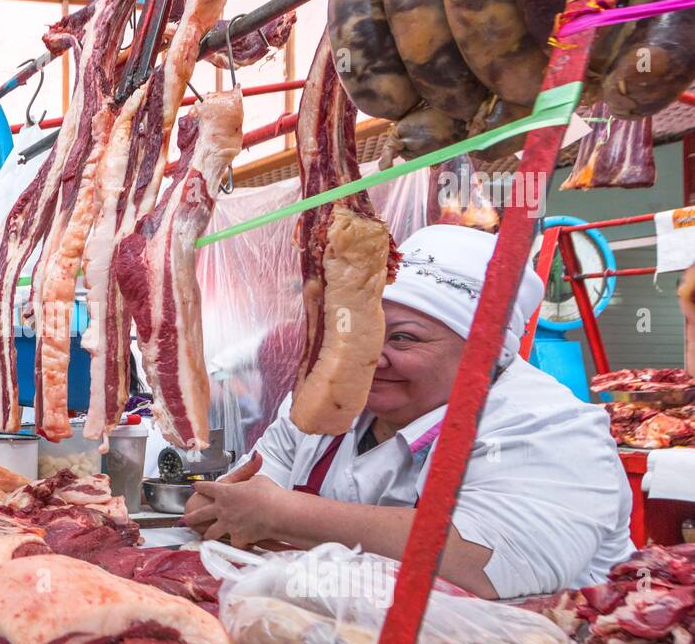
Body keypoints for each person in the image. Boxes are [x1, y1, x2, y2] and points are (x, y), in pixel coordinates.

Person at [184, 224, 634, 600]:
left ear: (485, 350)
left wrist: (279, 516)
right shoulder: (326, 404)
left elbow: (488, 563)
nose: (370, 357)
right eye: (362, 332)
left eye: (403, 338)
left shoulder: (551, 426)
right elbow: (238, 495)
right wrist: (238, 508)